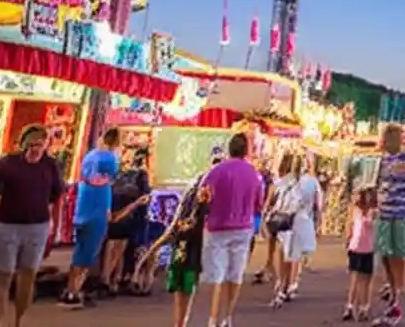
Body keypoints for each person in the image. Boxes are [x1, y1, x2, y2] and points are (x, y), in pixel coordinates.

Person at [0, 124, 64, 327]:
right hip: (7, 225)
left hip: (37, 226)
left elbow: (56, 197)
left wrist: (56, 223)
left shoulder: (50, 166)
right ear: (24, 145)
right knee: (2, 275)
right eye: (32, 145)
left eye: (41, 144)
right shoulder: (7, 164)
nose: (37, 149)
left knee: (28, 274)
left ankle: (19, 320)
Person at [137, 149, 219, 327]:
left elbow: (179, 220)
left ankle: (180, 323)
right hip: (191, 244)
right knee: (185, 286)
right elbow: (181, 218)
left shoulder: (198, 183)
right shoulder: (202, 186)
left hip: (187, 243)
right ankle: (181, 322)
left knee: (184, 287)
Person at [200, 132, 263, 327]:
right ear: (246, 151)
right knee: (236, 273)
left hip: (217, 226)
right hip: (243, 227)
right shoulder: (255, 174)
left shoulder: (216, 171)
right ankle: (228, 317)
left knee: (216, 274)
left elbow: (203, 196)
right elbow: (258, 204)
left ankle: (212, 318)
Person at [60, 126, 121, 308]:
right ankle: (74, 291)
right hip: (97, 209)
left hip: (83, 207)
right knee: (87, 254)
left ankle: (72, 288)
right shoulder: (109, 159)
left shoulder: (90, 156)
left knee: (80, 250)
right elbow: (110, 178)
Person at [372, 123, 405, 327]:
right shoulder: (383, 160)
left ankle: (396, 299)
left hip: (401, 214)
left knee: (396, 255)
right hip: (385, 212)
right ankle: (393, 291)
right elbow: (379, 183)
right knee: (385, 254)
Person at [271, 155, 321, 306]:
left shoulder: (285, 181)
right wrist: (318, 222)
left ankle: (282, 284)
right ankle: (291, 283)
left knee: (284, 252)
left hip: (286, 221)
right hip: (303, 221)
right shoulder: (312, 182)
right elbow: (318, 204)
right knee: (295, 255)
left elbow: (274, 198)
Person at [105, 149, 152, 295]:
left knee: (119, 243)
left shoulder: (118, 175)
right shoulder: (139, 175)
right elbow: (145, 196)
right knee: (124, 243)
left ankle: (114, 278)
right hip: (128, 215)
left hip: (120, 213)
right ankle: (119, 278)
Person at [343, 187, 376, 322]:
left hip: (365, 248)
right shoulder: (356, 210)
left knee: (363, 280)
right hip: (359, 247)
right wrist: (347, 241)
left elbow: (349, 226)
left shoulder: (373, 212)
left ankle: (362, 307)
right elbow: (349, 226)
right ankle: (354, 306)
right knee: (358, 279)